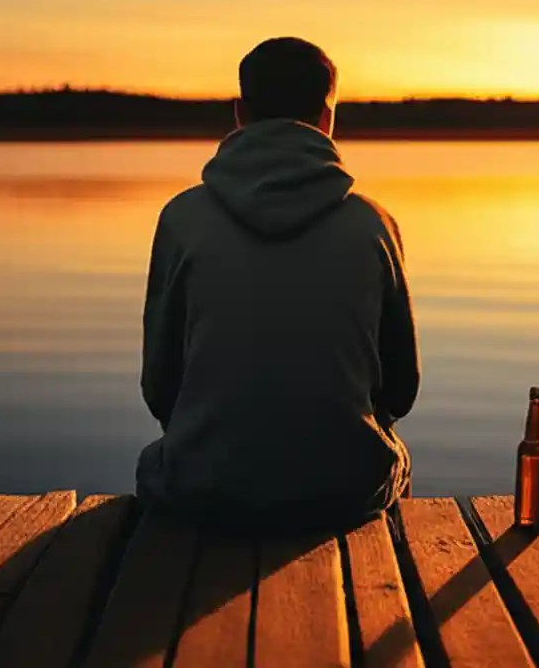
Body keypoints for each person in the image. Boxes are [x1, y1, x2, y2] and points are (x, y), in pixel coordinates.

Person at [135, 37, 419, 533]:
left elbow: (160, 388)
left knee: (161, 464)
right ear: (328, 118)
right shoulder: (373, 225)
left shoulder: (182, 220)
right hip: (344, 496)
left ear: (239, 112)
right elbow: (401, 390)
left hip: (202, 492)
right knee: (391, 460)